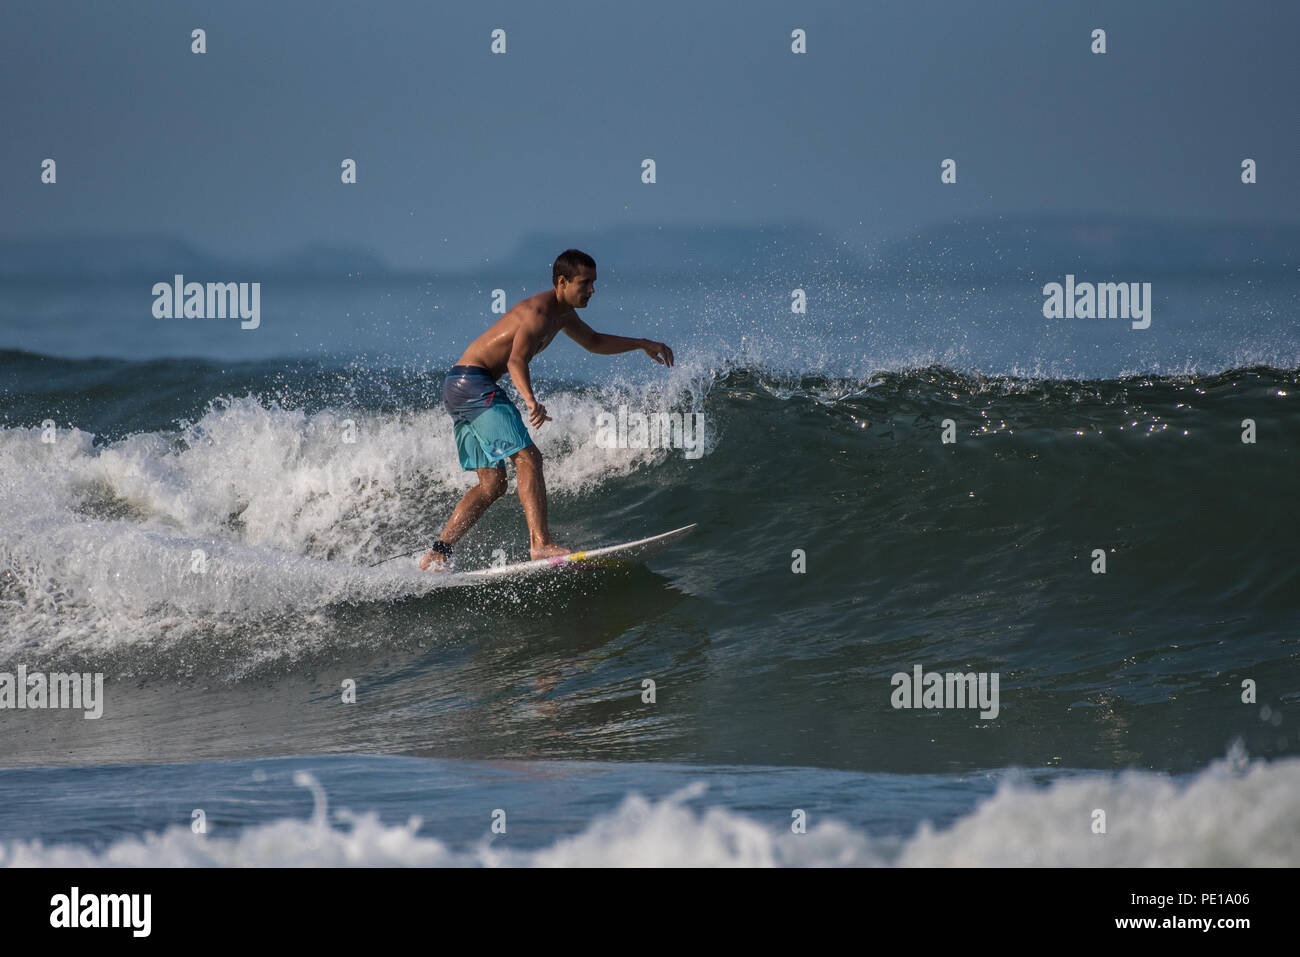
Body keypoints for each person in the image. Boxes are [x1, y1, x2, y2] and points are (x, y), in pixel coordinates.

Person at [420, 249, 675, 572]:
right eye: (585, 283)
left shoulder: (564, 315)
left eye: (594, 283)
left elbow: (594, 342)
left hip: (457, 386)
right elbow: (515, 360)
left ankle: (439, 552)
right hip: (474, 384)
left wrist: (641, 343)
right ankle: (540, 544)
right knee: (529, 458)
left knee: (493, 485)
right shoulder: (539, 313)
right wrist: (529, 399)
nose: (592, 291)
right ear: (562, 282)